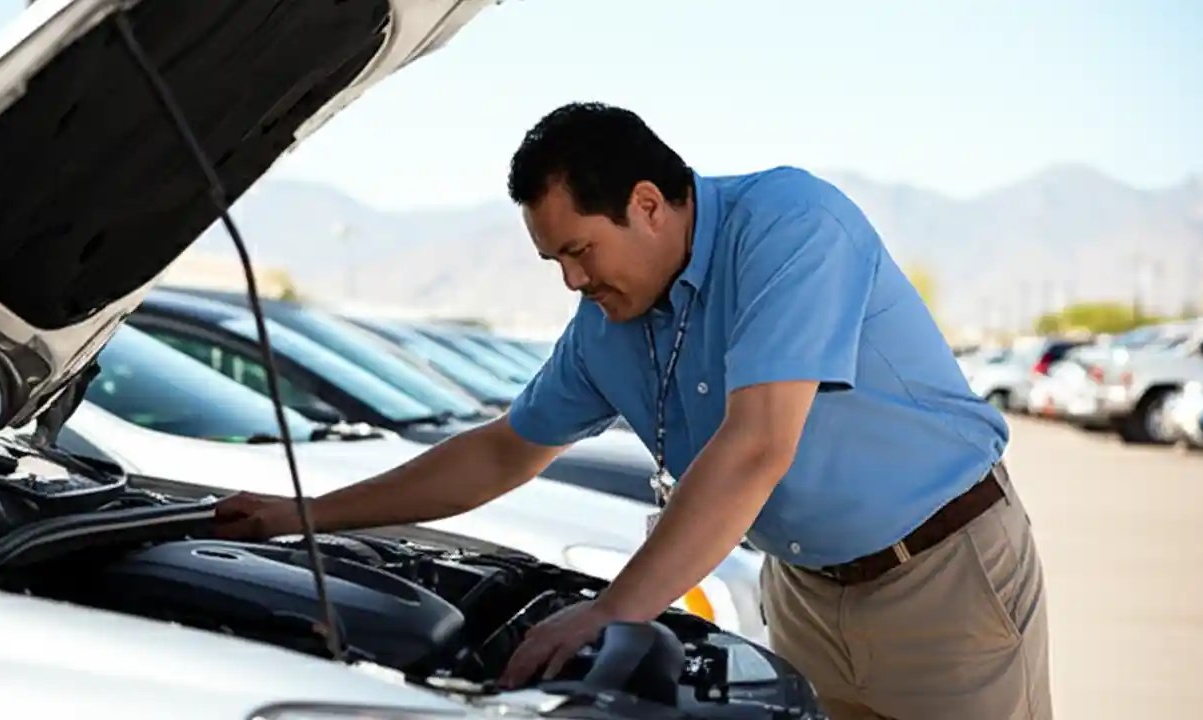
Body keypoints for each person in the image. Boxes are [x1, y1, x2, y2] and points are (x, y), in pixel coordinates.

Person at [214, 102, 1051, 720]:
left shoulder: (791, 227)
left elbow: (757, 445)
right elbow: (503, 451)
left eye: (580, 251)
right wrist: (308, 514)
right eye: (555, 260)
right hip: (801, 590)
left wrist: (616, 608)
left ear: (648, 204)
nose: (572, 282)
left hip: (943, 578)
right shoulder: (602, 329)